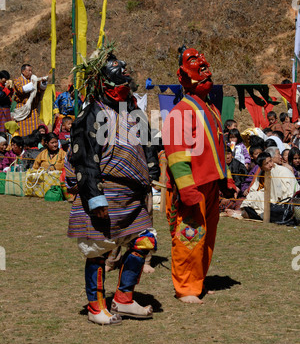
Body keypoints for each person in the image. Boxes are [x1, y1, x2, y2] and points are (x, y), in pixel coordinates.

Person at [65, 48, 159, 325]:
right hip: (104, 191)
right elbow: (84, 159)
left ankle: (124, 299)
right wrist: (95, 199)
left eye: (127, 84)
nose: (124, 89)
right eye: (119, 84)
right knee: (100, 249)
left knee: (145, 240)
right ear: (104, 85)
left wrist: (150, 175)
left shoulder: (134, 112)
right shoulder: (91, 112)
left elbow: (149, 147)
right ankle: (96, 308)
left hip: (133, 194)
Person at [162, 45, 236, 304]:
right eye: (196, 64)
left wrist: (225, 179)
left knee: (207, 238)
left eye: (205, 67)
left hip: (210, 186)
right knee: (189, 238)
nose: (205, 70)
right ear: (183, 76)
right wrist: (187, 189)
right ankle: (186, 287)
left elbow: (218, 149)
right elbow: (176, 155)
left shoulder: (212, 110)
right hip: (192, 188)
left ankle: (198, 280)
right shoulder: (179, 112)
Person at [240, 151, 300, 220]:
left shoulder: (280, 171)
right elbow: (254, 189)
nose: (271, 165)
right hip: (270, 199)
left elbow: (279, 194)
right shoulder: (261, 173)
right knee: (252, 197)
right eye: (266, 163)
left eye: (270, 161)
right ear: (261, 167)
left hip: (285, 201)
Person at [13, 64, 48, 137]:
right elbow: (21, 90)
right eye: (29, 71)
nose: (31, 73)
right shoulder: (17, 80)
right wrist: (34, 83)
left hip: (33, 110)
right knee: (21, 131)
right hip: (23, 109)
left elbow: (41, 89)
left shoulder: (34, 79)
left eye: (31, 71)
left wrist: (43, 82)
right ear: (23, 71)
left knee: (34, 131)